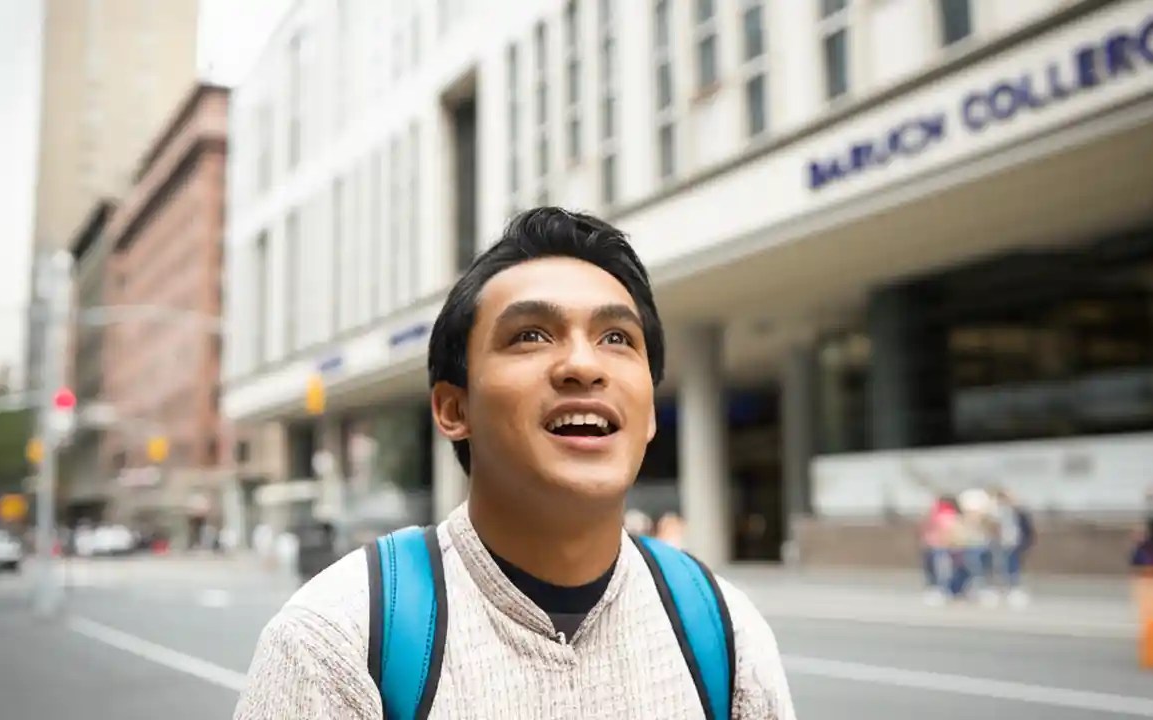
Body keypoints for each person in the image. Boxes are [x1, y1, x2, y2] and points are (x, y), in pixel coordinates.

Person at [234, 207, 796, 719]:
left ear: (649, 412)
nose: (583, 364)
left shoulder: (726, 632)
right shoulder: (334, 641)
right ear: (455, 409)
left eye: (616, 338)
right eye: (531, 335)